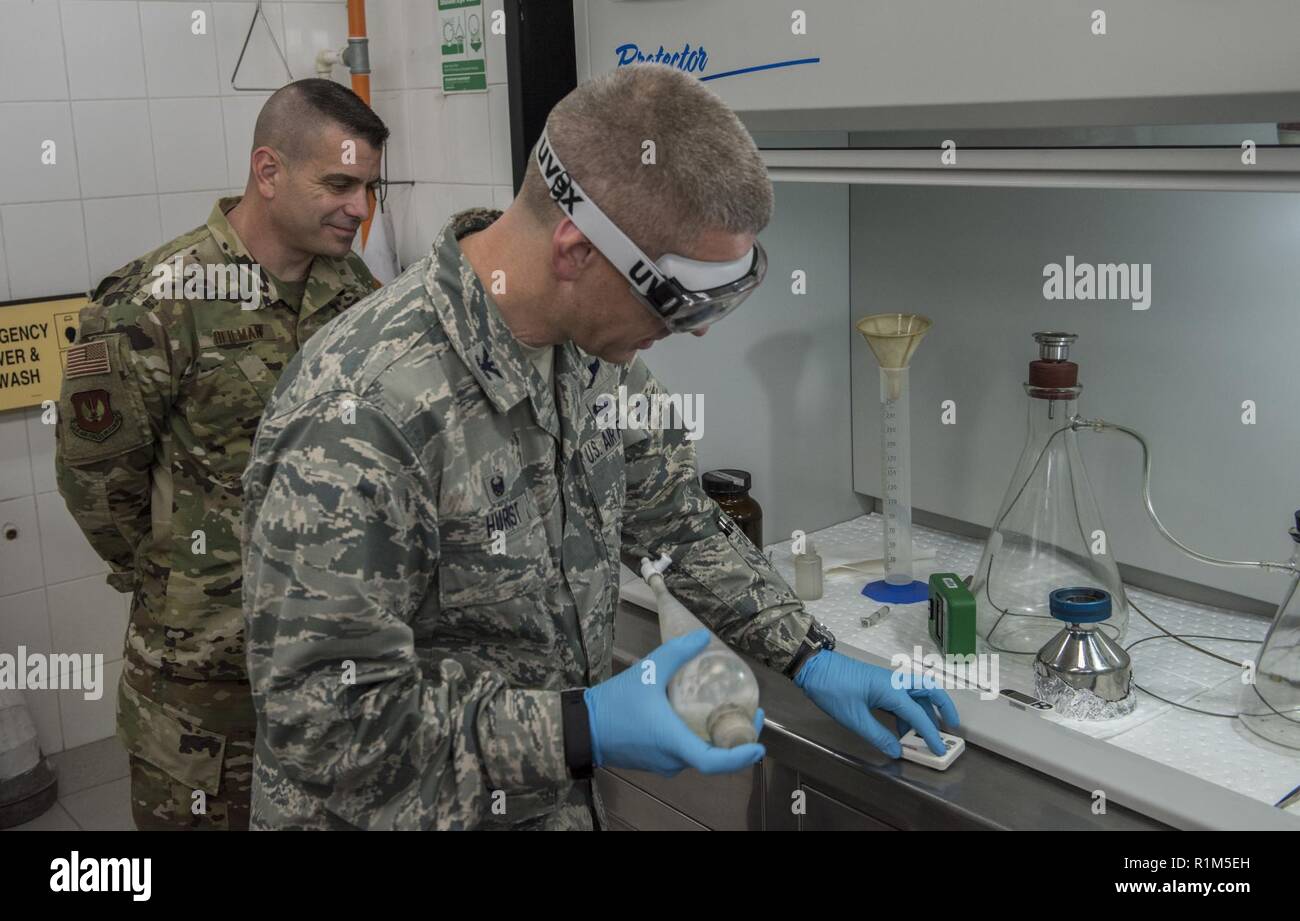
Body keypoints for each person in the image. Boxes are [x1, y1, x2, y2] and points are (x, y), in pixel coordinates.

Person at [241, 63, 958, 831]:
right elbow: (328, 727)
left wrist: (810, 653)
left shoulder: (586, 357)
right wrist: (578, 727)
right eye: (681, 299)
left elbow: (677, 524)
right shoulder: (365, 411)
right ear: (576, 252)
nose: (702, 328)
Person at [54, 79, 387, 830]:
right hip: (204, 685)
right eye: (338, 183)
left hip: (334, 668)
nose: (359, 208)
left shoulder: (358, 292)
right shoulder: (155, 303)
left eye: (369, 186)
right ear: (268, 173)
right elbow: (96, 483)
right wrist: (181, 576)